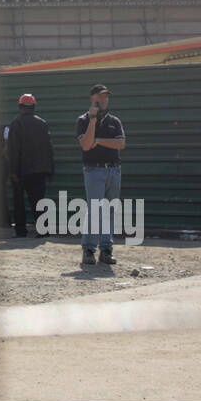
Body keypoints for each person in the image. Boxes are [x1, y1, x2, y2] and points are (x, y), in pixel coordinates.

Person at [76, 84, 125, 266]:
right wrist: (93, 121)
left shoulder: (115, 121)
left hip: (113, 169)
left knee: (110, 210)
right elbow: (86, 145)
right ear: (92, 99)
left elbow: (121, 144)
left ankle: (106, 250)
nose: (103, 100)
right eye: (99, 97)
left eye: (105, 97)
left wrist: (100, 140)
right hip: (94, 170)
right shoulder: (82, 120)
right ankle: (88, 249)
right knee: (94, 210)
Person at [5, 93, 55, 238]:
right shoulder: (42, 123)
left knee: (19, 201)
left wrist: (13, 171)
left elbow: (13, 149)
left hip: (21, 171)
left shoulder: (16, 123)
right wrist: (50, 169)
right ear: (33, 107)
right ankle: (43, 230)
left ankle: (21, 231)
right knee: (39, 200)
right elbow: (49, 148)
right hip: (40, 170)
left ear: (20, 107)